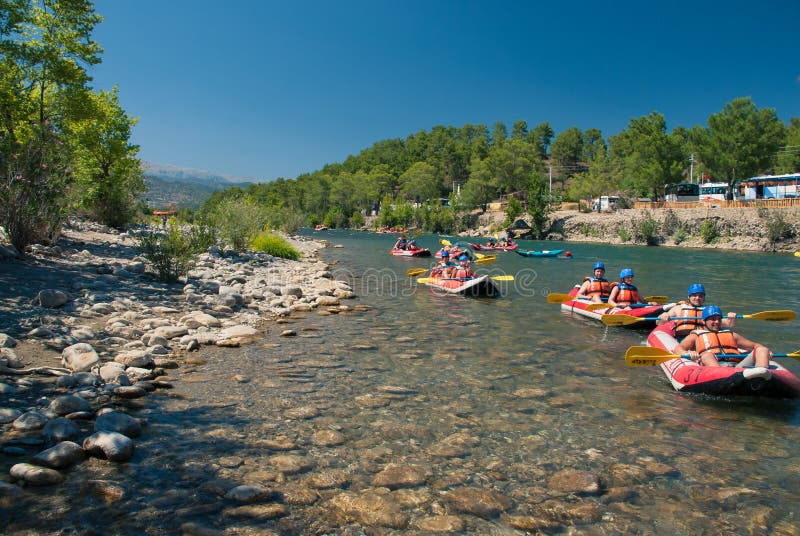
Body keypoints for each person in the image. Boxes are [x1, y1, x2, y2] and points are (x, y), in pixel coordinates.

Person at [677, 305, 772, 368]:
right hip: (715, 367)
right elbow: (678, 349)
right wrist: (688, 353)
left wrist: (766, 352)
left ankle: (762, 375)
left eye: (719, 319)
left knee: (763, 349)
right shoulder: (696, 335)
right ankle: (720, 377)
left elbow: (755, 346)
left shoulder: (731, 334)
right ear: (703, 321)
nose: (717, 322)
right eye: (713, 319)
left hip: (737, 367)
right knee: (707, 355)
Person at [656, 283, 736, 340]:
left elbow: (728, 324)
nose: (697, 298)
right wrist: (663, 315)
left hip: (703, 340)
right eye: (694, 295)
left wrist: (731, 318)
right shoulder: (678, 308)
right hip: (684, 340)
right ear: (689, 297)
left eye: (700, 296)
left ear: (704, 298)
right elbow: (658, 323)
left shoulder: (708, 310)